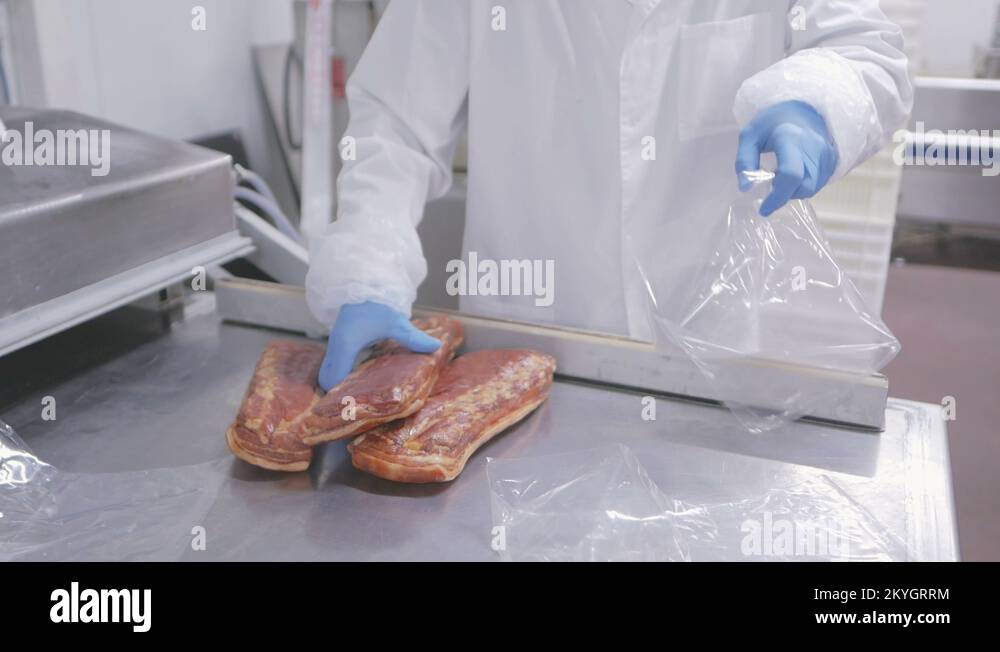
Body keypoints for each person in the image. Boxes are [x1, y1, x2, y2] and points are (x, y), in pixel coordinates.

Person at [306, 0, 912, 391]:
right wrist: (368, 268)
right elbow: (397, 120)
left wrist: (817, 99)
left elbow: (867, 50)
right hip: (526, 343)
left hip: (712, 344)